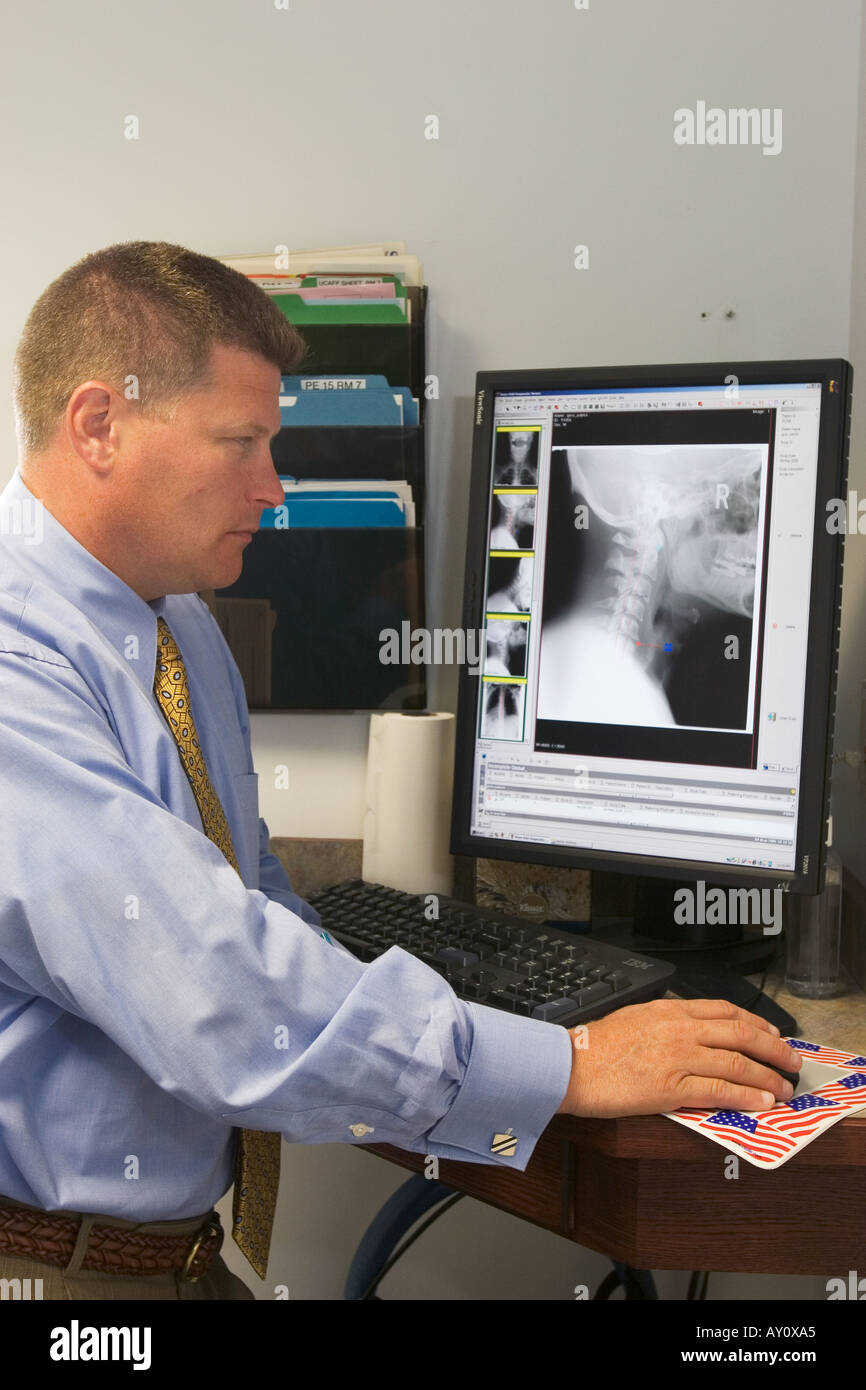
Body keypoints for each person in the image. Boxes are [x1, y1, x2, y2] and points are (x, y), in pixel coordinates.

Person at [0, 241, 800, 1301]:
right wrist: (570, 1064)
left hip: (183, 1254)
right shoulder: (19, 670)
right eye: (240, 443)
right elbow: (220, 996)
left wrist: (421, 986)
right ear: (99, 423)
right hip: (56, 1276)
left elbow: (254, 901)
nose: (271, 489)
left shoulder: (177, 624)